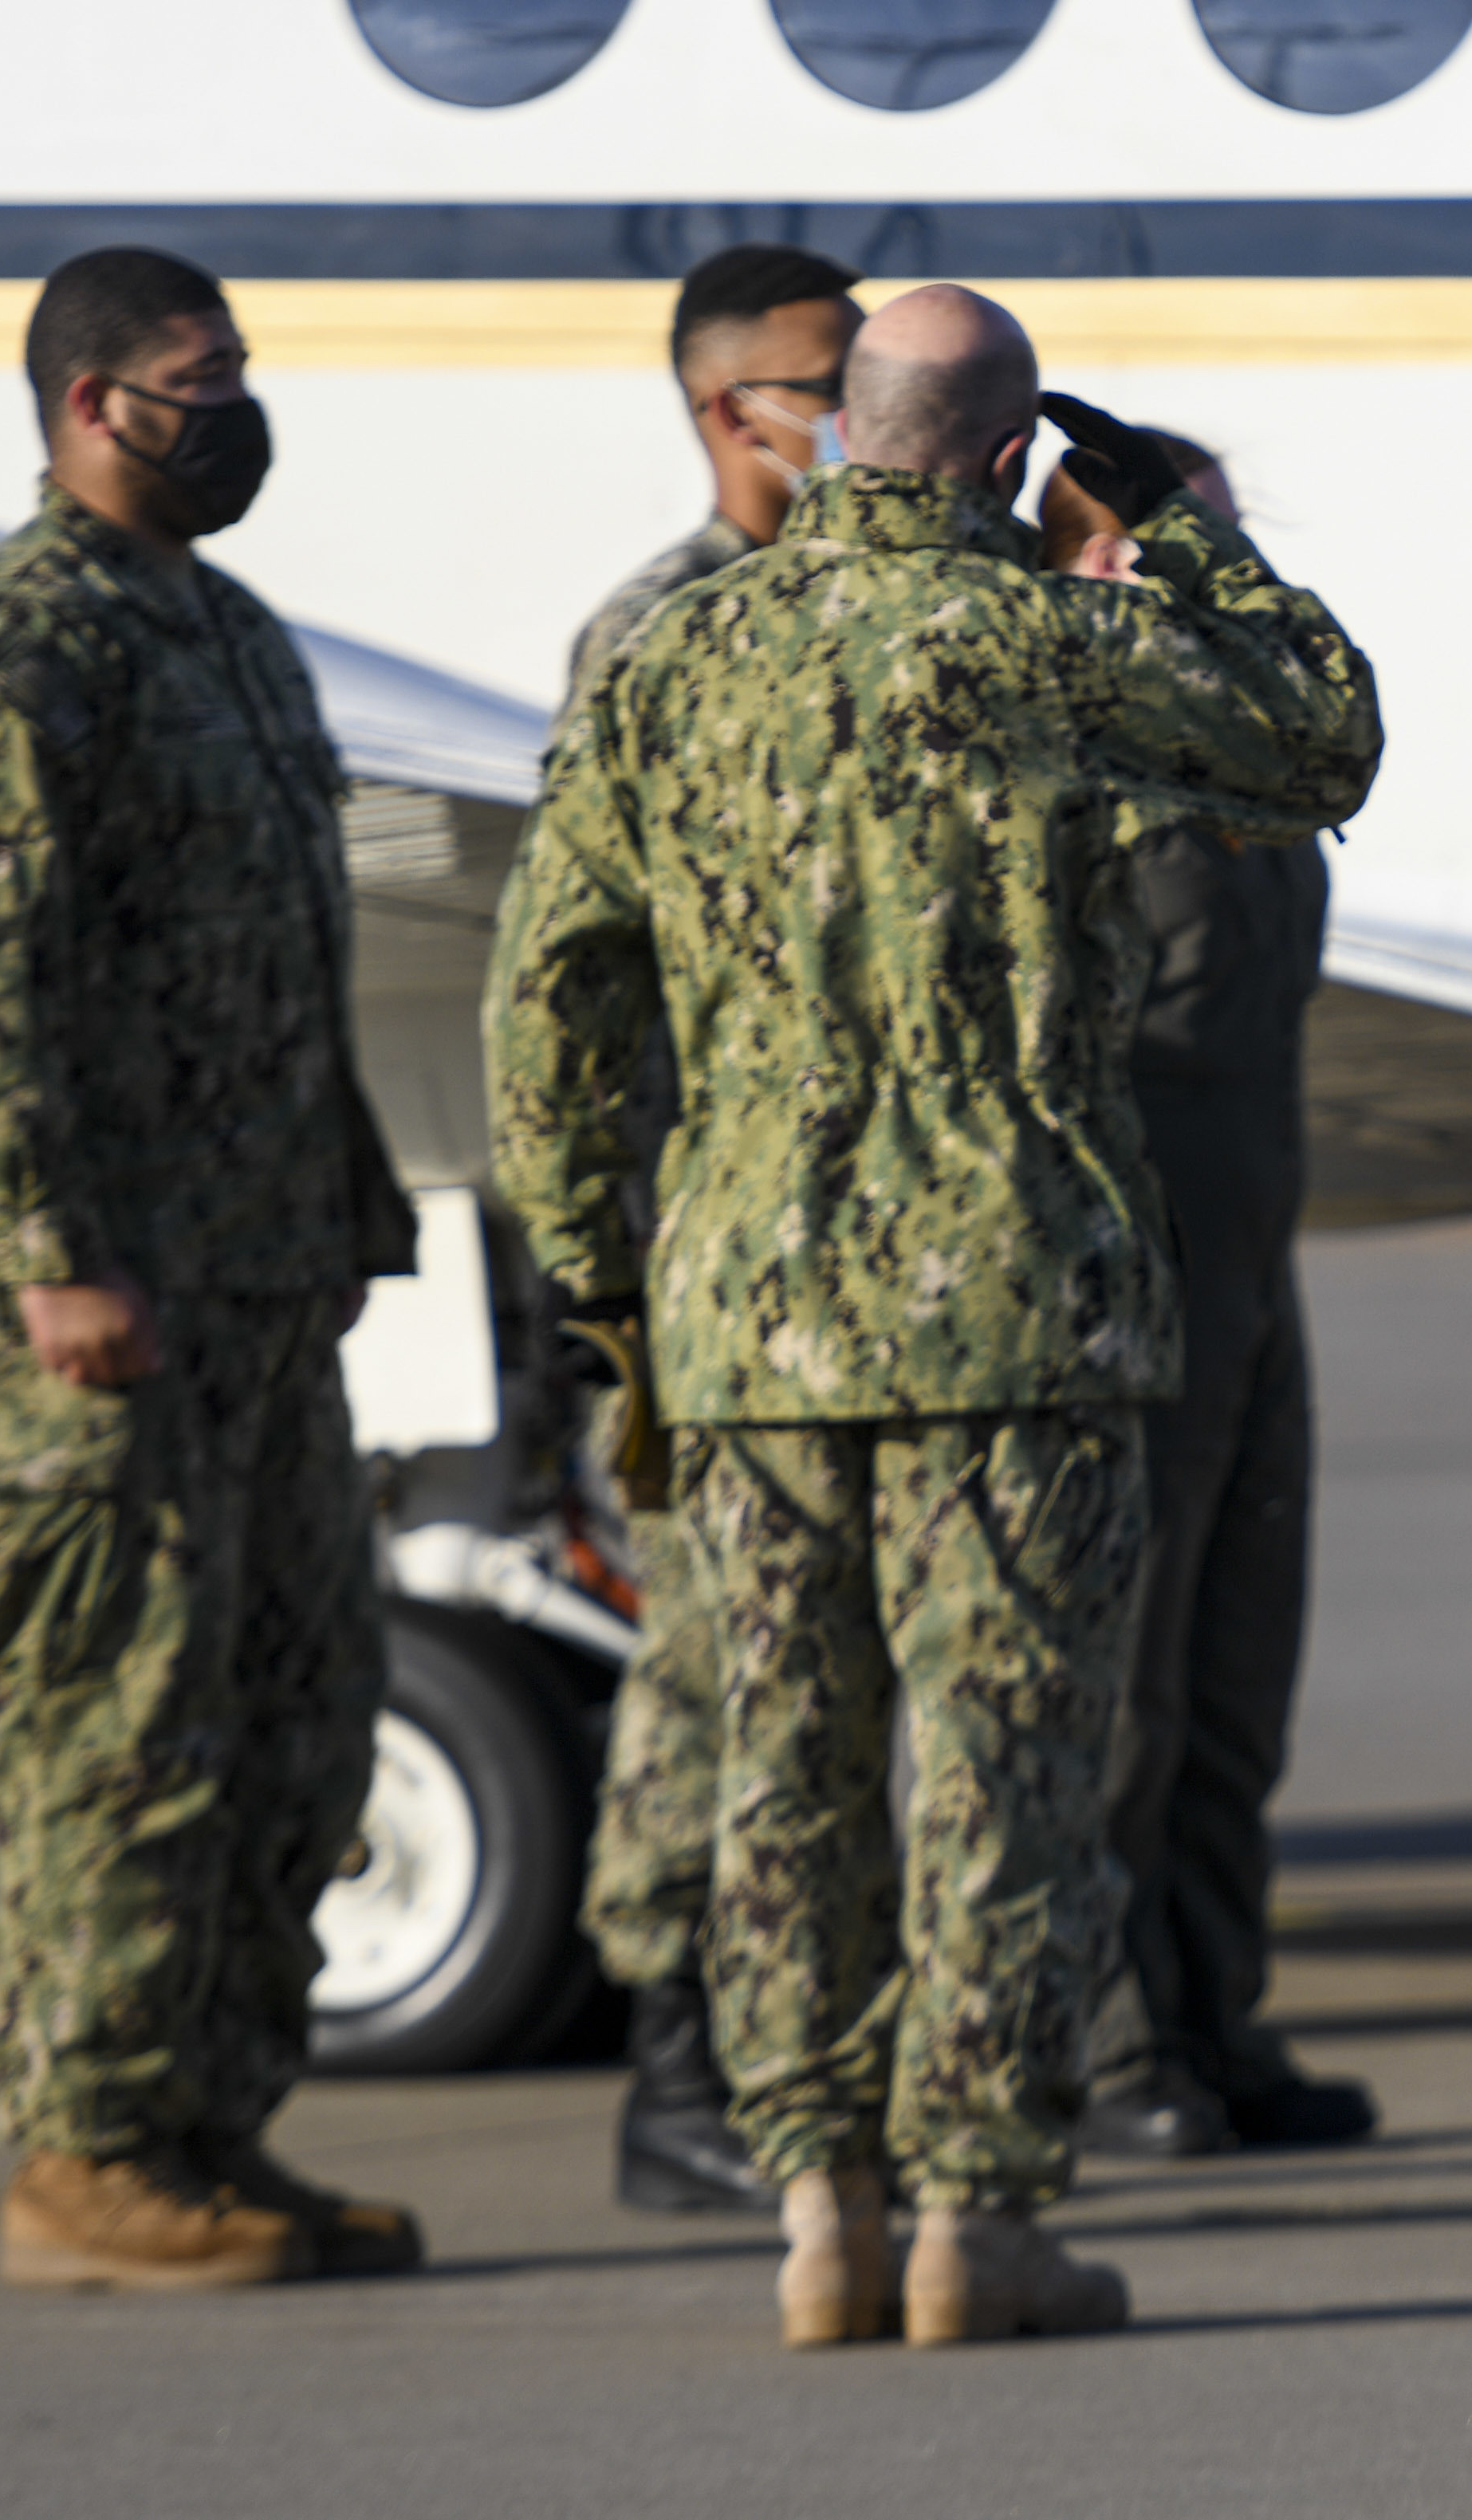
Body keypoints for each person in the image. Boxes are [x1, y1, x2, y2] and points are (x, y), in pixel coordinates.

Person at [483, 288, 1381, 2352]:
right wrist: (1177, 528)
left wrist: (613, 1285)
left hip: (748, 1325)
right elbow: (1319, 729)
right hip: (1009, 1308)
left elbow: (556, 995)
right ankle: (979, 2216)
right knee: (1003, 1770)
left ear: (831, 441)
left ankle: (821, 2209)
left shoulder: (669, 663)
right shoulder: (1043, 642)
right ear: (999, 463)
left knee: (787, 1774)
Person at [0, 243, 424, 2292]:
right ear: (95, 403)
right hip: (91, 1305)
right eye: (205, 376)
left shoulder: (230, 632)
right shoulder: (14, 649)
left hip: (258, 1283)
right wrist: (52, 1257)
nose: (239, 404)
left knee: (302, 1715)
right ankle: (85, 2156)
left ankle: (207, 2125)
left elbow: (281, 960)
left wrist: (345, 1218)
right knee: (123, 1728)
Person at [560, 242, 868, 2219]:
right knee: (709, 1672)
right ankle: (673, 2067)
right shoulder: (655, 637)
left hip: (859, 1252)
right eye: (820, 382)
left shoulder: (884, 611)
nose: (857, 412)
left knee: (834, 1680)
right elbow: (578, 974)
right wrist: (607, 1274)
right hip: (710, 1248)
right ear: (725, 414)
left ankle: (800, 2062)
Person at [1037, 430, 1377, 2162]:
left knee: (1240, 1672)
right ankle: (1110, 2044)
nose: (1227, 572)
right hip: (1137, 1269)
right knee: (1132, 1684)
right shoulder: (1057, 761)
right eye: (1194, 544)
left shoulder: (1241, 766)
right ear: (1102, 570)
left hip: (1251, 1263)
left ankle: (1214, 2016)